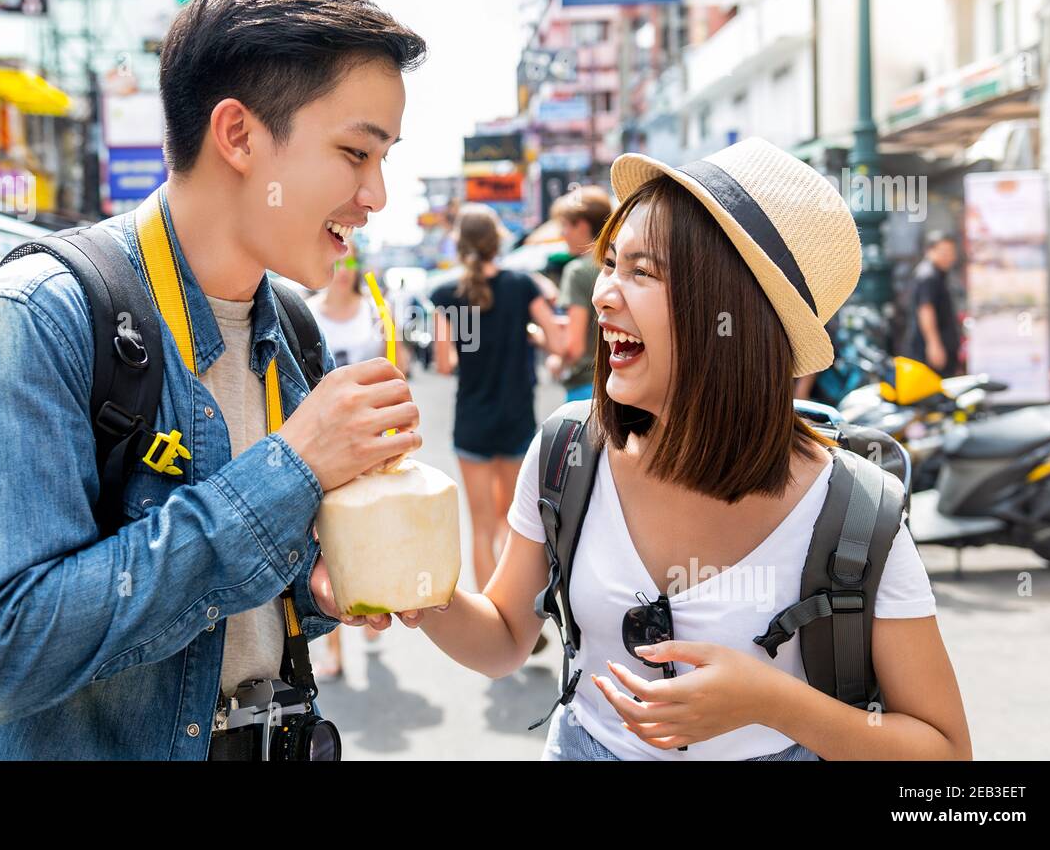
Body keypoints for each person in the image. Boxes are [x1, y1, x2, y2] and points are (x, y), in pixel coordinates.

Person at [0, 0, 427, 759]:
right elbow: (2, 653)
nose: (378, 195)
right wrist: (293, 467)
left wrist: (325, 588)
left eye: (385, 158)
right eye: (358, 153)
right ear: (238, 135)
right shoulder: (30, 320)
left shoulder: (290, 331)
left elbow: (236, 609)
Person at [401, 138, 970, 761]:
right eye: (611, 263)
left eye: (642, 272)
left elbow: (945, 753)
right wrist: (414, 583)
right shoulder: (569, 452)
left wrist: (771, 702)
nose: (602, 294)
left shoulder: (855, 512)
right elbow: (507, 637)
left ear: (731, 313)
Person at [430, 205, 563, 590]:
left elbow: (443, 363)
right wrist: (528, 335)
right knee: (516, 521)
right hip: (516, 416)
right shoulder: (522, 286)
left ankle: (490, 614)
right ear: (496, 241)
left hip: (472, 420)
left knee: (481, 527)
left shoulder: (445, 295)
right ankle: (516, 604)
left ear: (459, 245)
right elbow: (556, 340)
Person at [308, 252, 405, 679]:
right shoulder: (305, 313)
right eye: (338, 263)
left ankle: (372, 604)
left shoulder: (375, 310)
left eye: (350, 263)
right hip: (325, 441)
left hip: (372, 438)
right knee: (325, 536)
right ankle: (335, 649)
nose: (342, 270)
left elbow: (396, 370)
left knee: (370, 528)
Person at [548, 185, 613, 402]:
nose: (562, 233)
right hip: (622, 381)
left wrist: (540, 339)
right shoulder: (623, 264)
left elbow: (574, 348)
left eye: (565, 226)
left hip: (586, 388)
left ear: (582, 226)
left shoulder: (577, 271)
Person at [903, 231, 961, 376]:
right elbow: (926, 310)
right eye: (944, 252)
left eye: (951, 252)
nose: (949, 256)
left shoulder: (937, 274)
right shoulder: (928, 276)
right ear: (930, 251)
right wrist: (933, 344)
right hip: (930, 351)